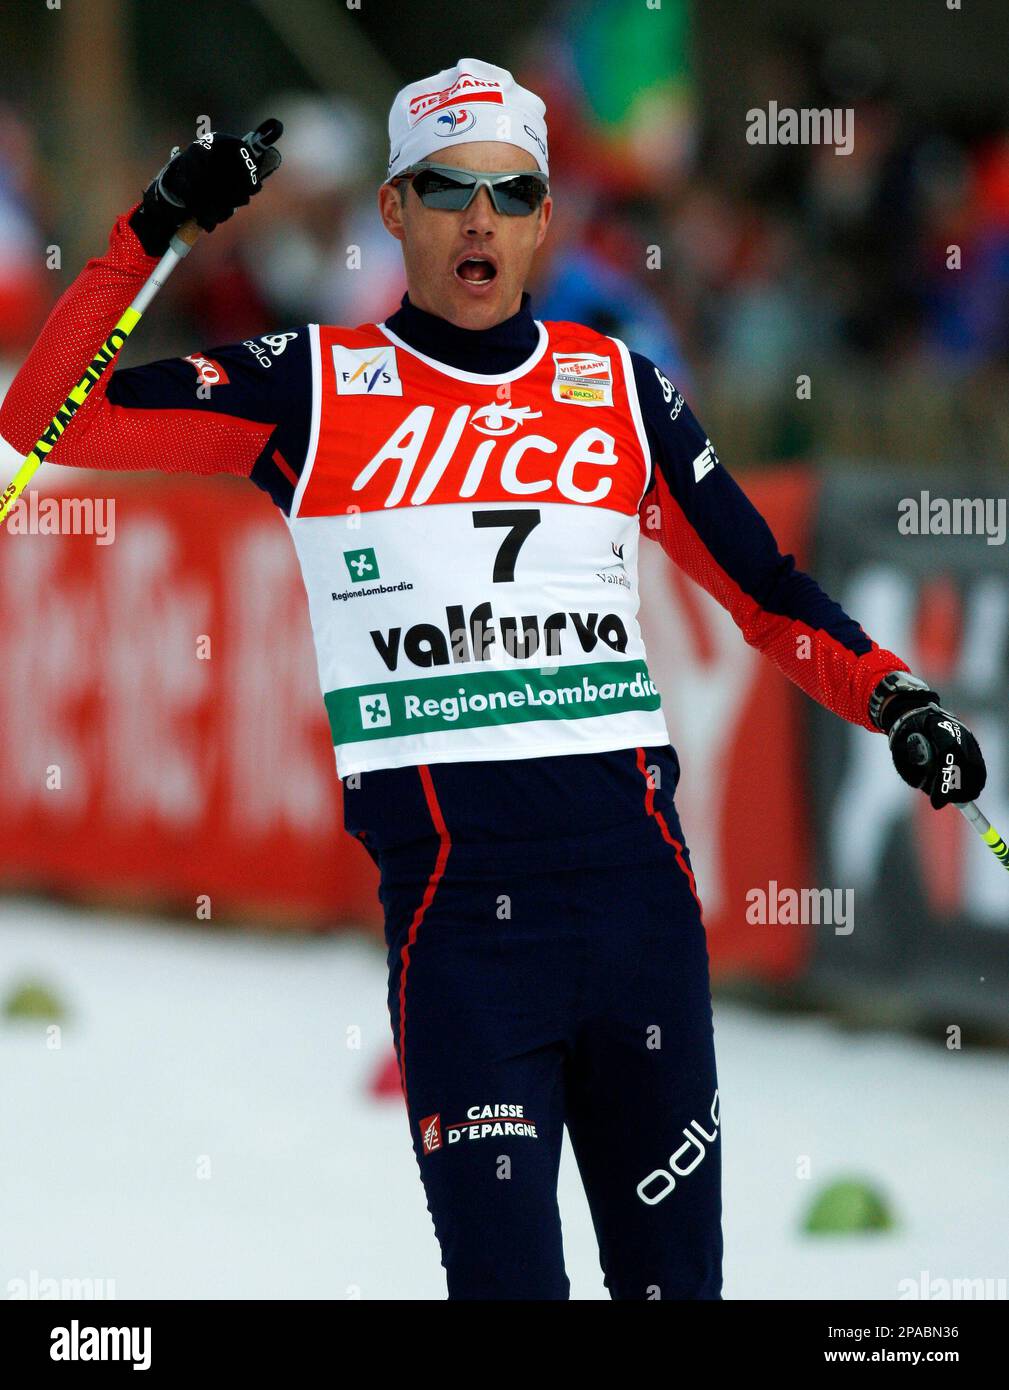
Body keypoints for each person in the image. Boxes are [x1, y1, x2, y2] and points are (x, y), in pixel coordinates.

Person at [0, 58, 986, 1301]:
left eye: (512, 193)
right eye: (449, 188)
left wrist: (894, 696)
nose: (481, 219)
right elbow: (47, 419)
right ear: (395, 210)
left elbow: (768, 595)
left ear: (545, 221)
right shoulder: (311, 390)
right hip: (466, 935)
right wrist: (157, 228)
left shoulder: (617, 391)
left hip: (638, 922)